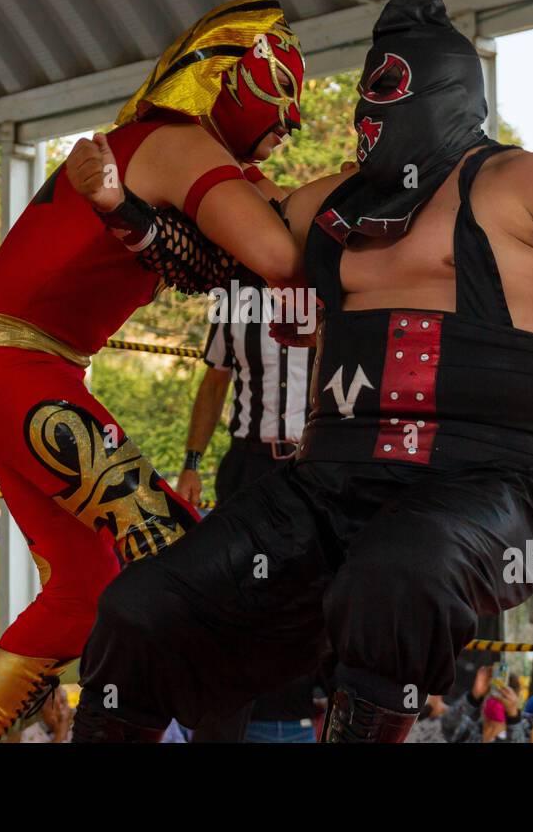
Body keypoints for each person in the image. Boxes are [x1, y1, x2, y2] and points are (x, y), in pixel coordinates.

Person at [70, 0, 533, 743]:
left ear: (441, 97)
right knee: (141, 608)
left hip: (491, 489)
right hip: (329, 484)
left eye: (387, 96)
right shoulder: (331, 202)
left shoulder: (525, 182)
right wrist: (121, 209)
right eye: (368, 97)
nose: (369, 118)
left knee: (397, 576)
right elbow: (215, 267)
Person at [0, 0, 306, 743]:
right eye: (285, 100)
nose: (291, 126)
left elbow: (204, 263)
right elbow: (278, 258)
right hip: (17, 366)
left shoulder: (163, 148)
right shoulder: (182, 143)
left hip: (9, 369)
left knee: (82, 592)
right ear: (238, 85)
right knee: (188, 557)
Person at [179, 254, 319, 743]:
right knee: (237, 588)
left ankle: (308, 714)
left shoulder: (324, 289)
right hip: (248, 463)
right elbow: (215, 380)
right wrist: (192, 464)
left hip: (310, 463)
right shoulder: (234, 298)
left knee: (309, 586)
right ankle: (224, 726)